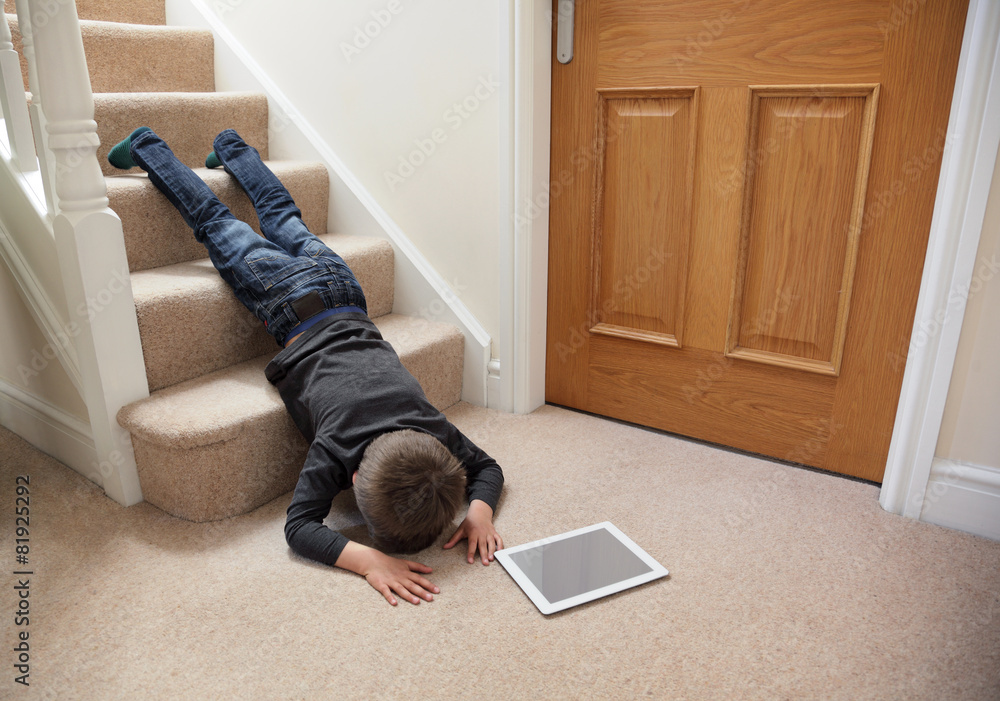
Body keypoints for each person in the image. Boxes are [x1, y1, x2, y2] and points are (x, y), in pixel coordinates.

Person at [108, 127, 504, 606]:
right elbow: (299, 528)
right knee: (213, 221)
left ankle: (232, 150)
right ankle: (147, 147)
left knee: (282, 216)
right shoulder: (336, 446)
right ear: (353, 481)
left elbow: (486, 469)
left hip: (343, 289)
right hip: (284, 301)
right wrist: (368, 558)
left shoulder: (431, 427)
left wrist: (477, 511)